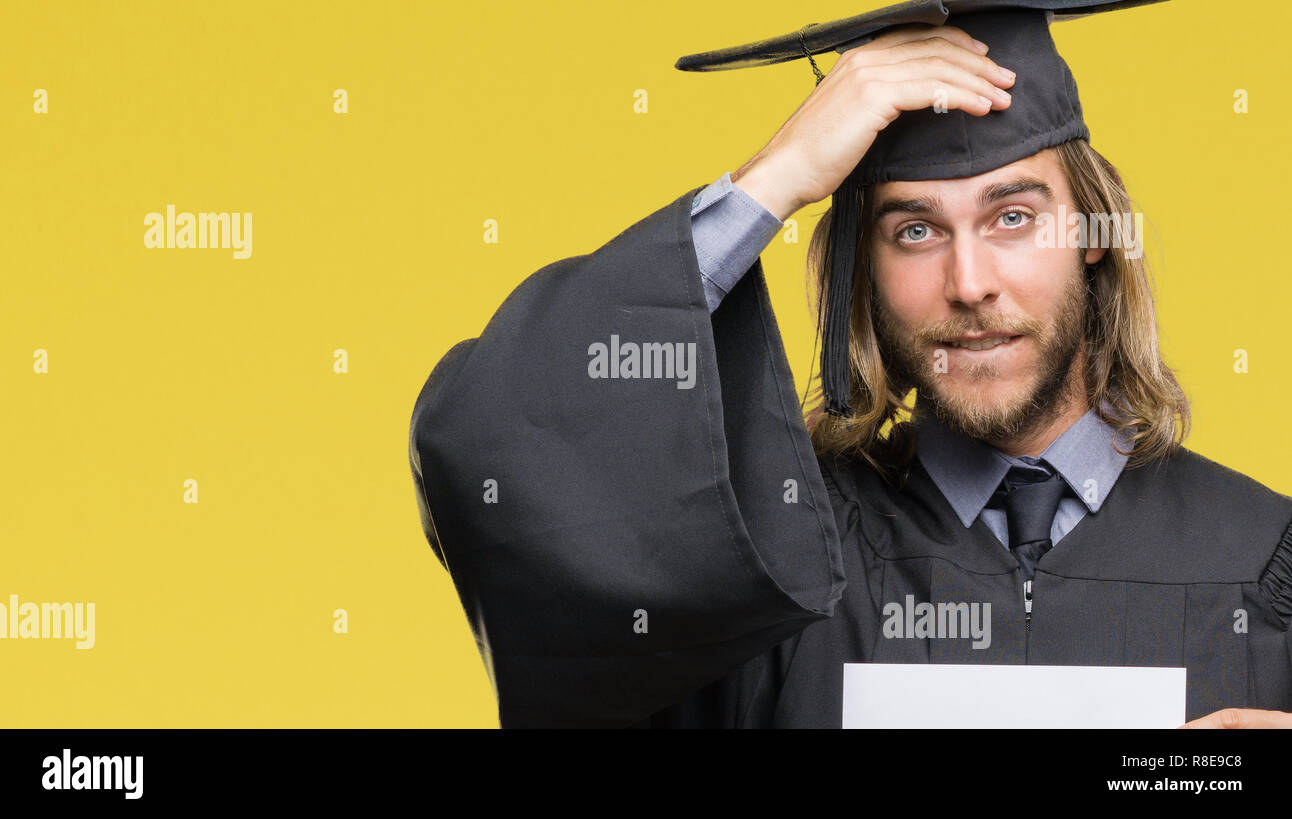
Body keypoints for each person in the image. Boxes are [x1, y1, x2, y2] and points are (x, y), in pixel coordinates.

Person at [408, 0, 1292, 727]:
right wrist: (773, 180)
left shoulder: (1266, 559)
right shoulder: (763, 558)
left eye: (1013, 216)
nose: (969, 282)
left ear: (1094, 235)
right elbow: (495, 453)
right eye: (914, 230)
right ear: (858, 270)